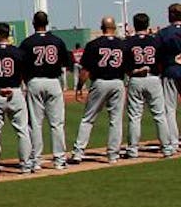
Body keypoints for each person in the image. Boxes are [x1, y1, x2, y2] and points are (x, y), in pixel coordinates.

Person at [72, 17, 131, 164]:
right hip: (118, 82)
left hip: (100, 82)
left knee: (88, 118)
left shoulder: (93, 44)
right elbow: (129, 69)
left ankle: (78, 152)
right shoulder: (122, 44)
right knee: (116, 120)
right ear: (114, 28)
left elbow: (85, 70)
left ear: (102, 27)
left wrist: (79, 87)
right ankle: (112, 155)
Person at [19, 11, 73, 170]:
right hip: (53, 82)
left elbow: (21, 66)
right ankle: (59, 159)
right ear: (47, 22)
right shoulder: (57, 41)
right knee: (57, 123)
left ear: (34, 23)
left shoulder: (27, 43)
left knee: (35, 123)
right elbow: (66, 64)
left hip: (34, 81)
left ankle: (36, 160)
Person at [0, 22, 33, 174]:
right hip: (15, 92)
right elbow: (25, 74)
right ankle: (25, 165)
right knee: (22, 130)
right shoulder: (19, 52)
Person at [124, 13, 171, 158]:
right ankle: (167, 148)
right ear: (147, 24)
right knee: (159, 115)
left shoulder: (128, 42)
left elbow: (125, 64)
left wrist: (133, 71)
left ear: (134, 24)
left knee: (135, 117)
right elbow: (162, 62)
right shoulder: (155, 40)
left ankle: (132, 150)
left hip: (136, 79)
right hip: (153, 78)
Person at [158, 4, 181, 154]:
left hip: (170, 70)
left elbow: (158, 56)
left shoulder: (164, 33)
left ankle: (173, 142)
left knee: (169, 109)